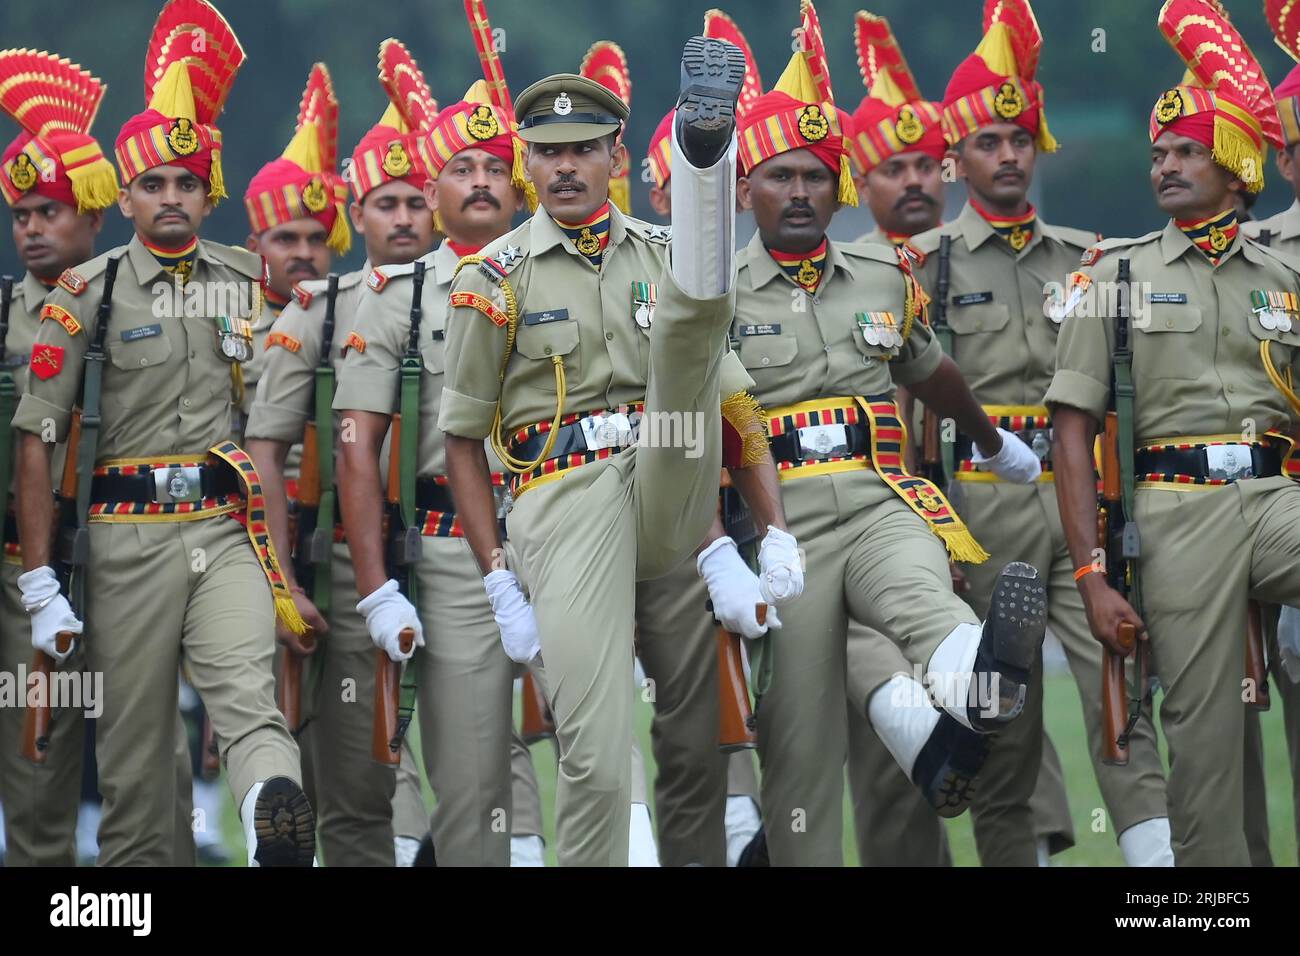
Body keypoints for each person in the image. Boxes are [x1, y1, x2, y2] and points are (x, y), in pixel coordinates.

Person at [438, 39, 794, 866]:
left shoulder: (661, 254)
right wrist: (497, 575)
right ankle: (709, 167)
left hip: (670, 473)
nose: (566, 168)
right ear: (527, 163)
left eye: (584, 151)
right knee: (595, 753)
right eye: (550, 154)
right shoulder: (494, 277)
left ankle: (706, 158)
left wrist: (769, 532)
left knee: (687, 329)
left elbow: (734, 404)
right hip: (564, 503)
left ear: (618, 157)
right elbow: (460, 437)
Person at [732, 1, 1048, 867]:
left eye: (815, 177)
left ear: (838, 188)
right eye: (780, 176)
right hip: (780, 520)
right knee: (798, 757)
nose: (800, 192)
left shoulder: (881, 273)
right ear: (744, 189)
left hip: (880, 496)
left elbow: (927, 369)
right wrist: (726, 548)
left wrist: (987, 438)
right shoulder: (712, 298)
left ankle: (975, 679)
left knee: (925, 597)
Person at [11, 0, 313, 867]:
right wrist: (38, 581)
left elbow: (285, 417)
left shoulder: (250, 283)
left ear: (208, 189)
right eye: (155, 184)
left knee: (248, 695)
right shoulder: (87, 297)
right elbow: (38, 434)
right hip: (121, 541)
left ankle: (270, 815)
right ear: (126, 194)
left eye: (187, 183)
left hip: (224, 532)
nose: (172, 197)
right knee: (140, 767)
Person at [909, 3, 1171, 866]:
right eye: (989, 142)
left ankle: (1166, 885)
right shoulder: (926, 266)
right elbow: (914, 422)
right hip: (984, 513)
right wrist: (931, 535)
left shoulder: (1092, 258)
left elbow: (1125, 395)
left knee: (1119, 701)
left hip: (1083, 504)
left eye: (1021, 138)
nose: (1010, 154)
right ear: (958, 159)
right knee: (1003, 729)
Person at [1046, 0, 1300, 866]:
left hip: (1275, 496)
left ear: (1236, 161)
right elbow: (1071, 434)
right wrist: (1088, 575)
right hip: (1173, 513)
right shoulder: (1112, 276)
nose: (1166, 166)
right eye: (1159, 153)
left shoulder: (1285, 273)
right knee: (1204, 747)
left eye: (1188, 149)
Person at [245, 43, 438, 866]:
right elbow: (264, 451)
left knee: (451, 775)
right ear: (355, 216)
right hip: (343, 582)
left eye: (413, 201)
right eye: (383, 202)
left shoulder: (484, 295)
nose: (401, 218)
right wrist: (282, 587)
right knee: (342, 788)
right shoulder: (316, 315)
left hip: (458, 563)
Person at [333, 74, 529, 866]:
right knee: (477, 776)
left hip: (576, 526)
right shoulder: (398, 301)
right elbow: (355, 444)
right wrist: (378, 588)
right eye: (462, 167)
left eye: (494, 166)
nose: (481, 180)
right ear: (434, 186)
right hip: (453, 555)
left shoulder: (570, 272)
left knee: (601, 753)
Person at [0, 47, 114, 868]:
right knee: (34, 753)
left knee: (108, 766)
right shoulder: (4, 313)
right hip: (18, 562)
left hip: (111, 554)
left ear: (96, 217)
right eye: (22, 214)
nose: (34, 228)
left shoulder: (134, 306)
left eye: (51, 211)